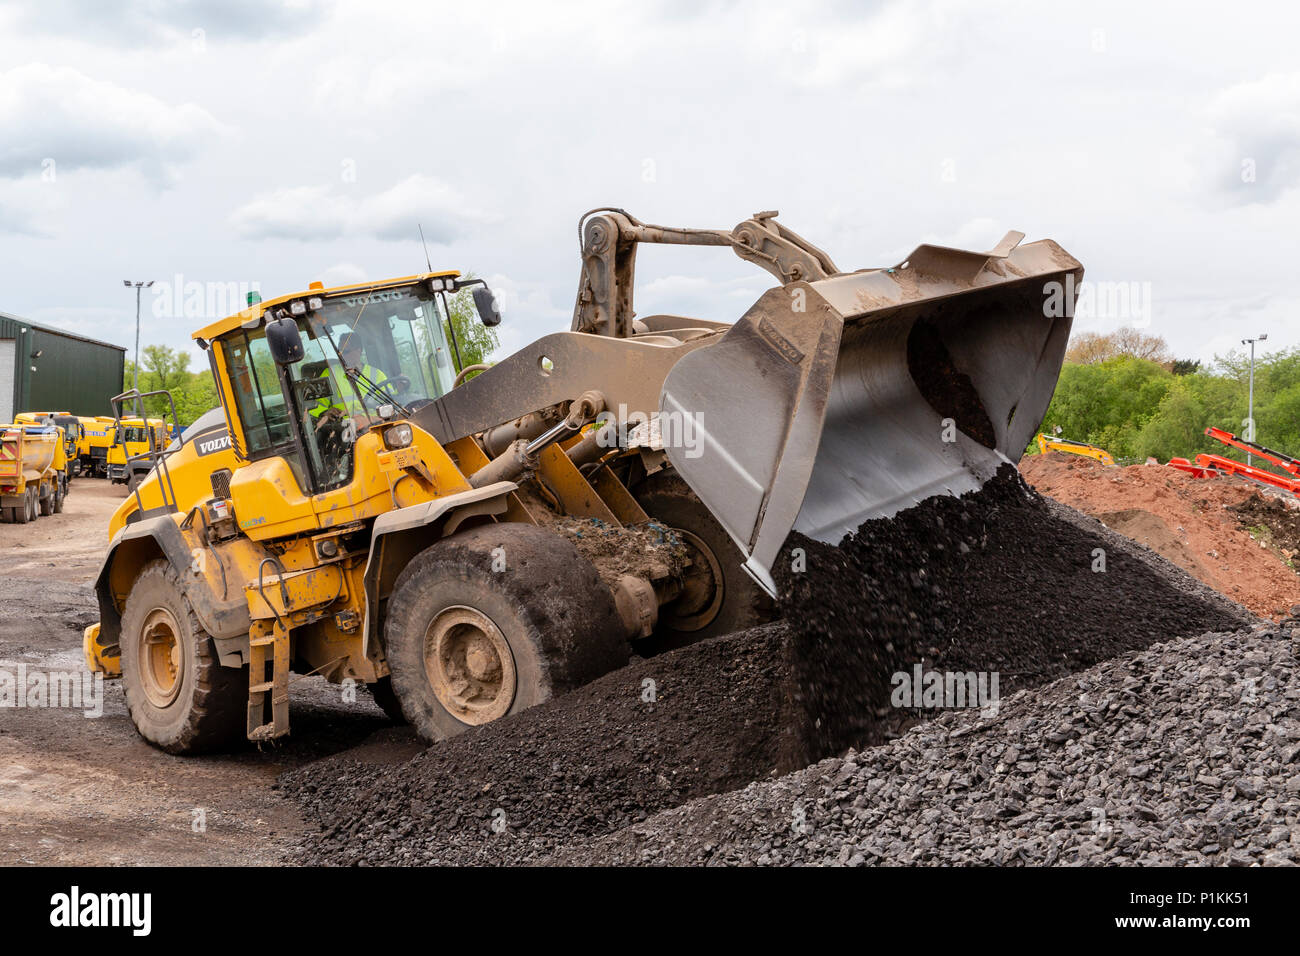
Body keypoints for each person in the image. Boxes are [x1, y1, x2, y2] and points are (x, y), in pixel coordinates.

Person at [311, 333, 390, 433]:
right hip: (343, 432)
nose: (341, 355)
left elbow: (391, 403)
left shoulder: (378, 375)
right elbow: (314, 405)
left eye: (346, 351)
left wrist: (400, 388)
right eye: (339, 352)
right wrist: (324, 412)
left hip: (375, 428)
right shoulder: (330, 374)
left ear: (359, 351)